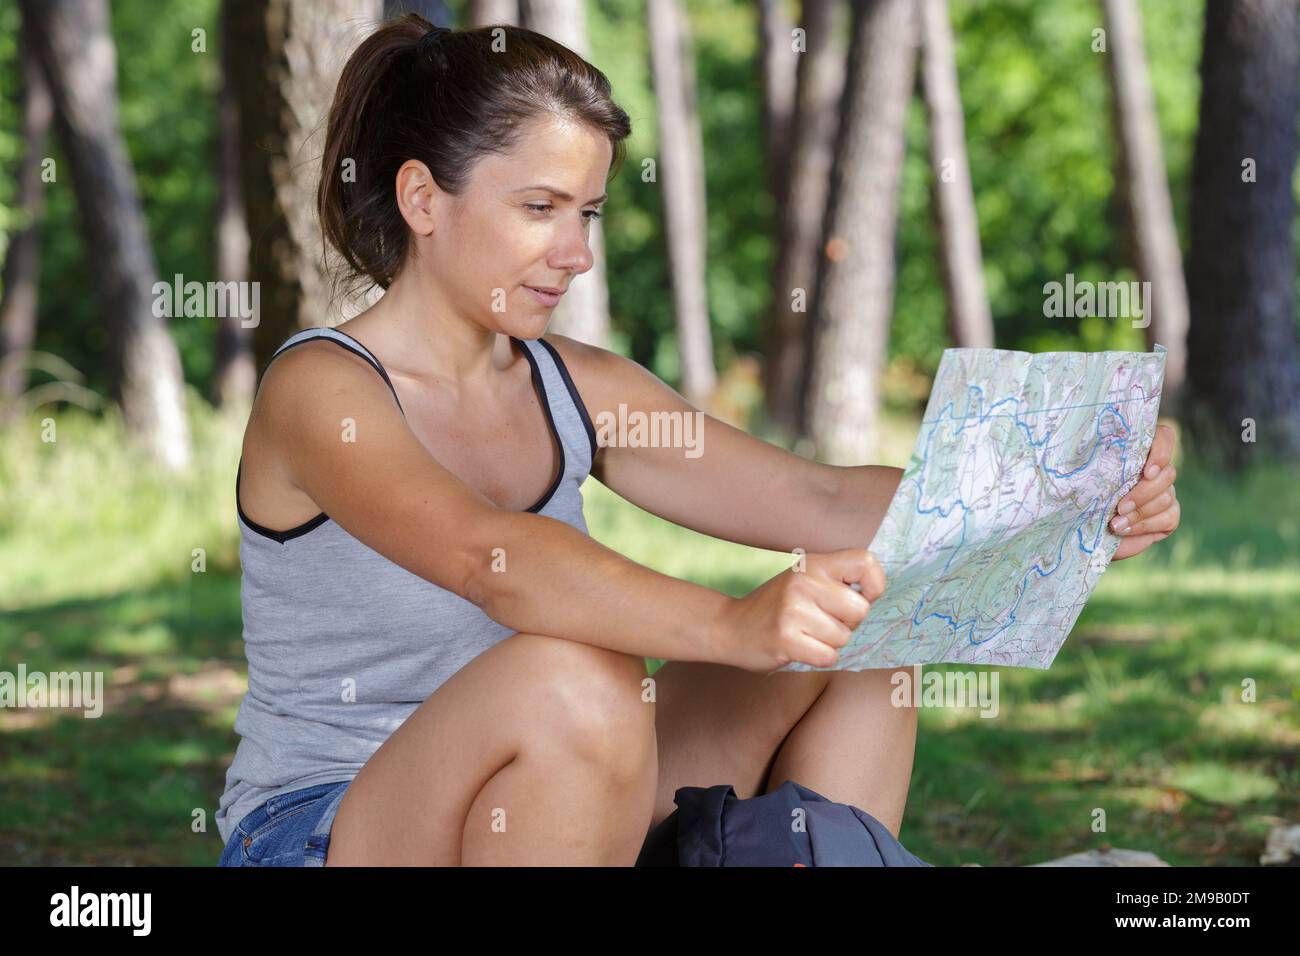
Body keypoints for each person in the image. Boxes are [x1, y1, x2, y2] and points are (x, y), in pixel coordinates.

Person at [216, 15, 1182, 867]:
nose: (577, 253)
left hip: (566, 800)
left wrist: (1080, 483)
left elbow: (812, 501)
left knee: (857, 617)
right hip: (334, 828)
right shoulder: (322, 390)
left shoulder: (575, 385)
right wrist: (730, 626)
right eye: (540, 208)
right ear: (424, 200)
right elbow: (491, 560)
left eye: (587, 213)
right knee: (577, 675)